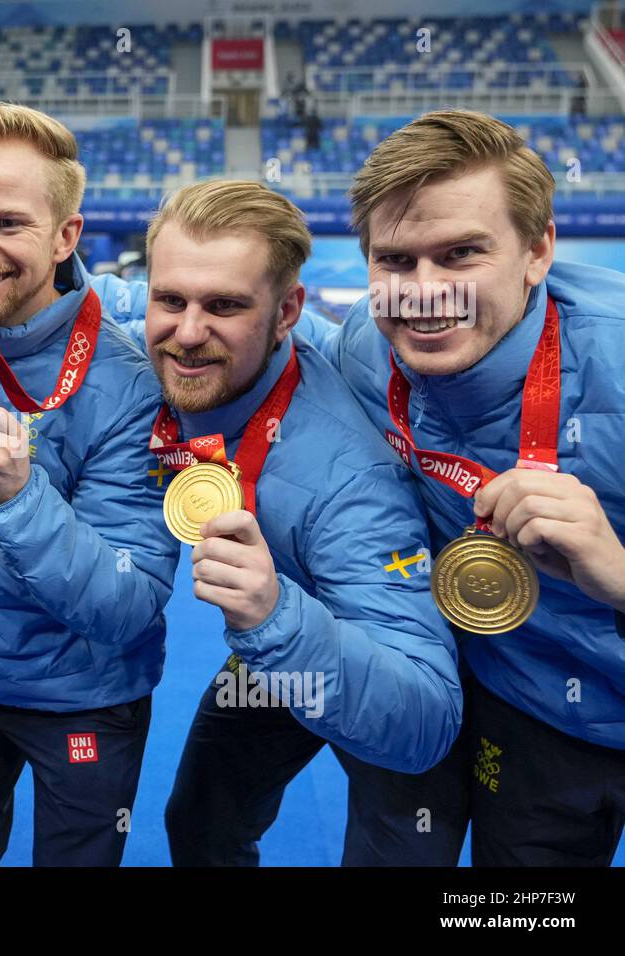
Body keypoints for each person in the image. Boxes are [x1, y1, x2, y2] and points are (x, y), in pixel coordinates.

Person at [129, 180, 461, 865]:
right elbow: (80, 292)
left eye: (224, 306)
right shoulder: (188, 330)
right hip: (283, 636)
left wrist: (275, 615)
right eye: (171, 300)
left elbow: (426, 716)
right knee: (200, 820)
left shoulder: (352, 481)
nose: (187, 332)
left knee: (394, 851)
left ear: (287, 314)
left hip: (376, 644)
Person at [325, 109, 625, 866]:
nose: (425, 295)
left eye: (461, 254)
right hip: (529, 710)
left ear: (538, 250)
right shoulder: (366, 346)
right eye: (395, 262)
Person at [0, 100, 179, 867]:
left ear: (65, 236)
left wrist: (21, 501)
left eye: (8, 224)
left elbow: (127, 601)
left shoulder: (132, 385)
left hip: (87, 696)